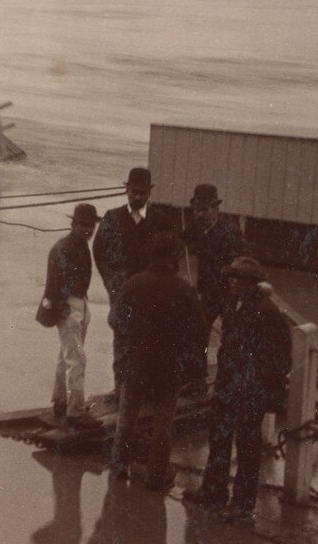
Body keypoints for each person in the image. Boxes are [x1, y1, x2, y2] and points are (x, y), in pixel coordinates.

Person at [184, 257, 292, 522]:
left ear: (252, 283)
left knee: (247, 445)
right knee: (219, 436)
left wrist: (260, 383)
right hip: (229, 382)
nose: (233, 281)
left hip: (250, 388)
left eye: (239, 278)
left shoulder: (266, 311)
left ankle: (242, 505)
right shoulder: (235, 303)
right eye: (232, 276)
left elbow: (280, 354)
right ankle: (214, 490)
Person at [107, 233, 207, 490]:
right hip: (168, 366)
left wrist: (132, 340)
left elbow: (115, 320)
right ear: (175, 259)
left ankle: (119, 468)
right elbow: (199, 331)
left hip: (137, 363)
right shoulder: (184, 290)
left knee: (126, 418)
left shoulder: (134, 283)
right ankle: (156, 475)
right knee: (163, 424)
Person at [93, 167, 175, 394]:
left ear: (150, 192)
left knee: (151, 338)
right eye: (133, 192)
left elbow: (173, 256)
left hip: (152, 294)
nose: (137, 197)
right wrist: (111, 284)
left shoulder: (161, 221)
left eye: (142, 193)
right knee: (122, 338)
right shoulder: (111, 218)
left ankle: (147, 388)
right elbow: (99, 252)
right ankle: (120, 388)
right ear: (126, 190)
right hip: (121, 293)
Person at [44, 202, 101, 425]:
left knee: (65, 356)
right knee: (77, 359)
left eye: (91, 226)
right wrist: (62, 307)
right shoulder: (63, 248)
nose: (88, 230)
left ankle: (60, 401)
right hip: (68, 306)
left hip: (79, 303)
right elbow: (53, 282)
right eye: (83, 225)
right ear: (73, 224)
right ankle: (76, 410)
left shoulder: (80, 246)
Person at [180, 183, 248, 334]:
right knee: (200, 331)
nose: (200, 214)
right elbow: (178, 243)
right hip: (206, 293)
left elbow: (240, 264)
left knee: (231, 333)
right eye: (197, 210)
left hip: (228, 294)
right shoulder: (195, 228)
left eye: (205, 209)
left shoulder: (231, 232)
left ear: (216, 209)